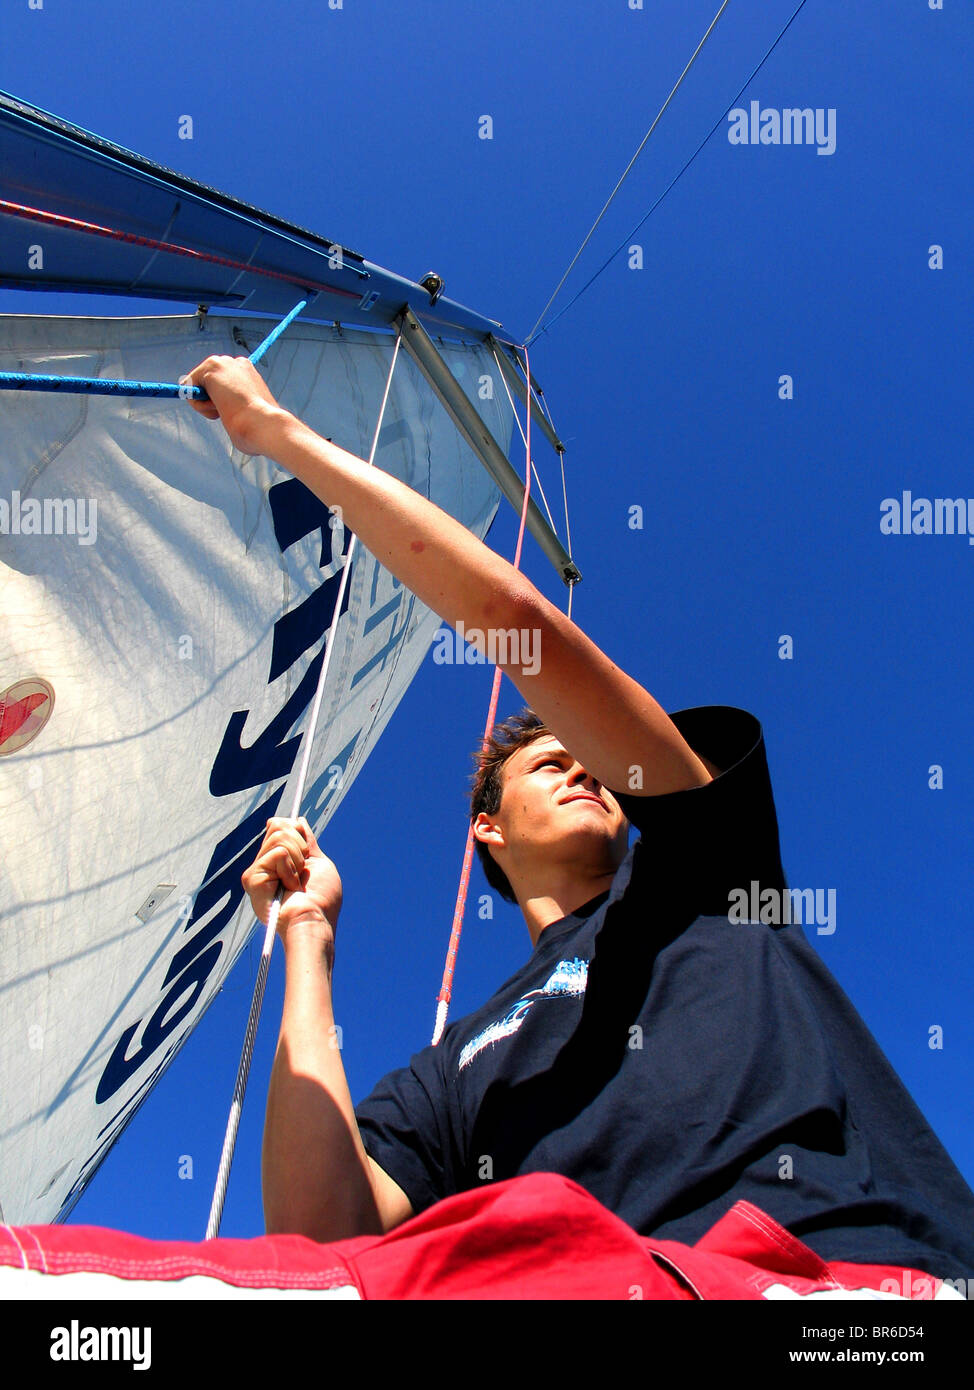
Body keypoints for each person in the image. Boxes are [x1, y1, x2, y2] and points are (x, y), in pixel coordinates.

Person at [184, 354, 974, 1297]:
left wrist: (281, 436)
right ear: (488, 832)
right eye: (544, 761)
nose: (581, 766)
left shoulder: (706, 873)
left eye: (589, 756)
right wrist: (307, 936)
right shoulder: (454, 1069)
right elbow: (321, 1242)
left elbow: (517, 620)